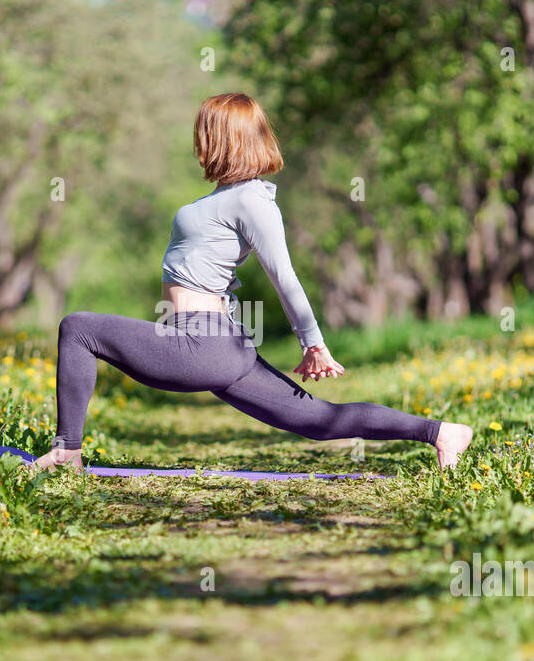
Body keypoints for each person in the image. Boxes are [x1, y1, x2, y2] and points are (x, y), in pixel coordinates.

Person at [32, 92, 473, 471]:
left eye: (204, 132)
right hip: (215, 347)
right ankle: (441, 433)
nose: (198, 142)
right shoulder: (227, 198)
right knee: (319, 421)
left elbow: (284, 275)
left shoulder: (252, 199)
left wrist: (312, 342)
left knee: (79, 328)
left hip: (200, 345)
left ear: (223, 139)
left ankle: (68, 450)